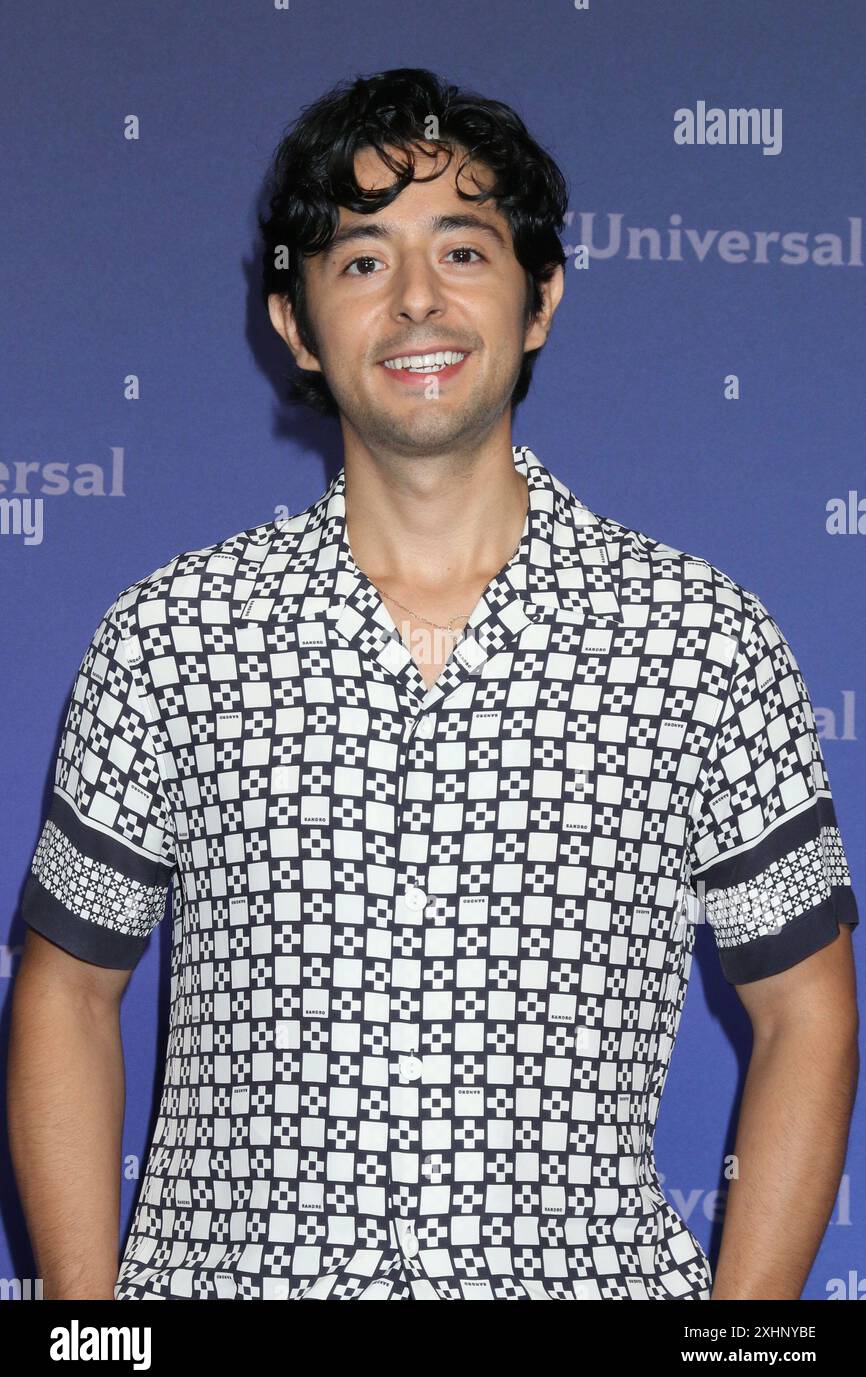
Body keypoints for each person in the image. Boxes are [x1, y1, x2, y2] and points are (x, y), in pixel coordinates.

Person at [9, 67, 859, 1302]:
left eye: (462, 249)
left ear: (540, 298)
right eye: (359, 262)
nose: (415, 300)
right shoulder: (169, 636)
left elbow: (807, 1018)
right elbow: (68, 995)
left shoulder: (700, 641)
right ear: (295, 323)